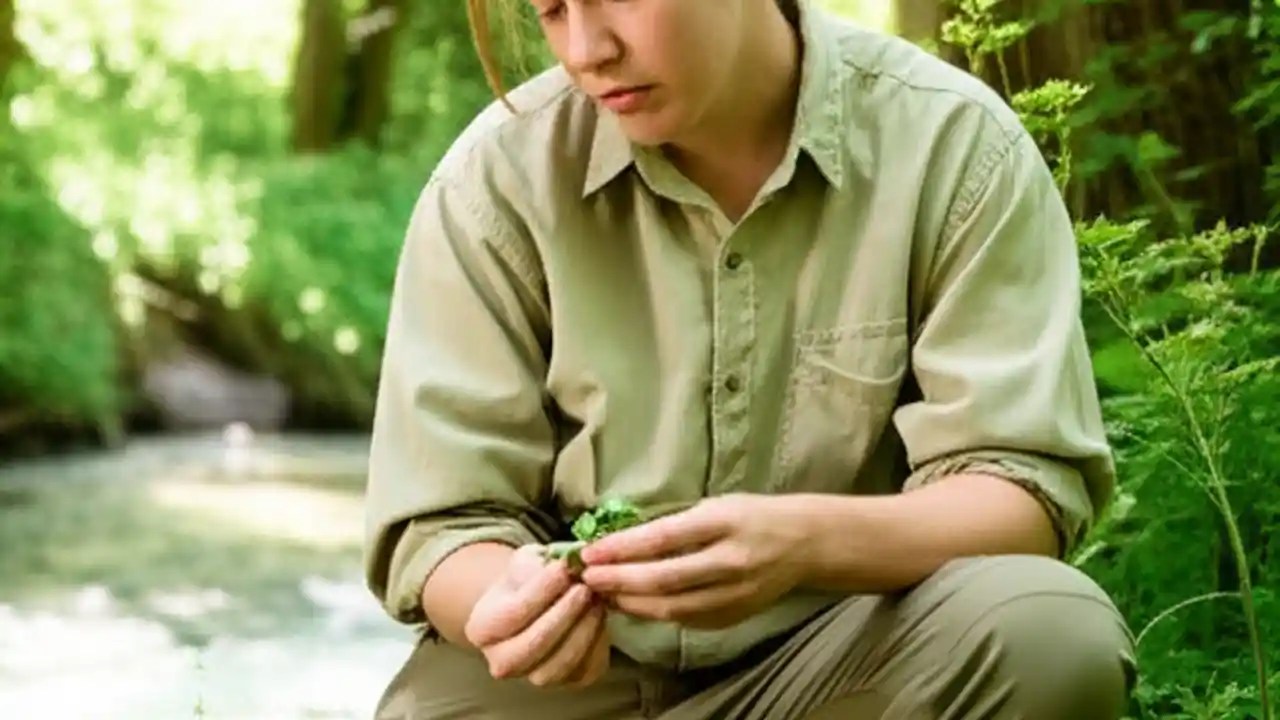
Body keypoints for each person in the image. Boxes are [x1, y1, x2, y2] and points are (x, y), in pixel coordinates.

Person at [362, 0, 1138, 717]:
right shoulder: (492, 184)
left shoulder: (953, 147)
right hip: (570, 687)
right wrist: (503, 601)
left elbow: (1020, 491)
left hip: (858, 661)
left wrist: (804, 545)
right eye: (553, 10)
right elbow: (443, 527)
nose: (587, 50)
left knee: (1050, 634)